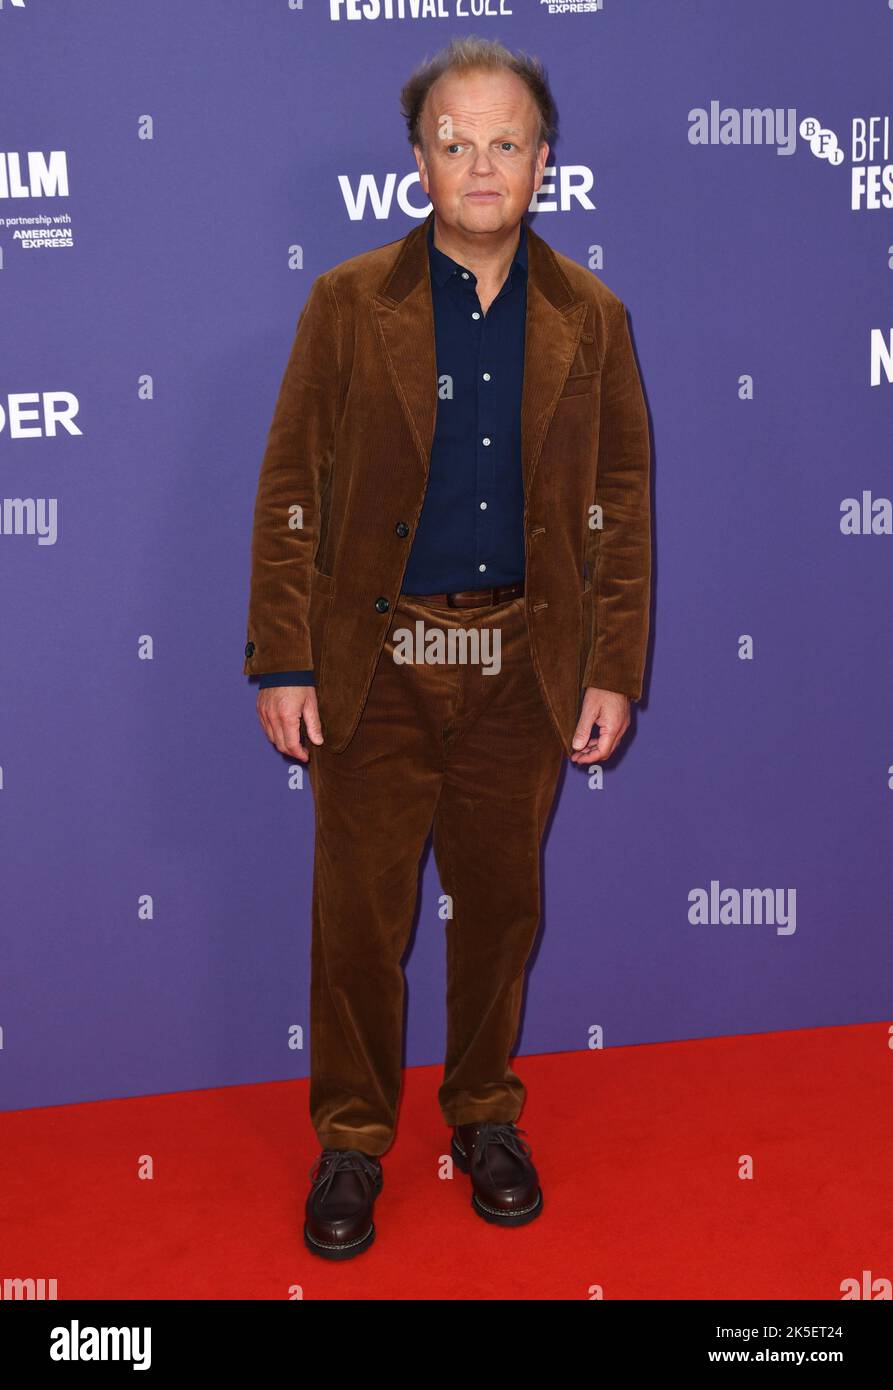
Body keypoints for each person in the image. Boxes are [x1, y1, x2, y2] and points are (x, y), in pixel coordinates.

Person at [243, 35, 651, 1260]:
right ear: (419, 162)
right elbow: (288, 489)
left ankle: (482, 1118)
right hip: (374, 671)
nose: (481, 164)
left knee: (499, 917)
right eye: (455, 141)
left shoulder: (593, 314)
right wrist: (283, 657)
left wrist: (610, 666)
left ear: (542, 162)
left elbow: (621, 503)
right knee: (358, 922)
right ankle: (354, 1139)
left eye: (505, 142)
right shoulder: (345, 303)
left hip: (524, 671)